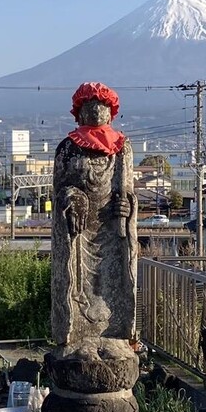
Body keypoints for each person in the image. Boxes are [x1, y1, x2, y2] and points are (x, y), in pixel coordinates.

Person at [50, 82, 136, 344]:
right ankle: (75, 331)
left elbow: (129, 190)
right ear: (80, 111)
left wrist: (128, 206)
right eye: (91, 106)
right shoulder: (68, 148)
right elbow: (60, 189)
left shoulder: (122, 148)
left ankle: (117, 331)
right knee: (77, 281)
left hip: (111, 228)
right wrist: (72, 198)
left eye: (103, 106)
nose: (97, 112)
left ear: (112, 112)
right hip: (80, 230)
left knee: (114, 278)